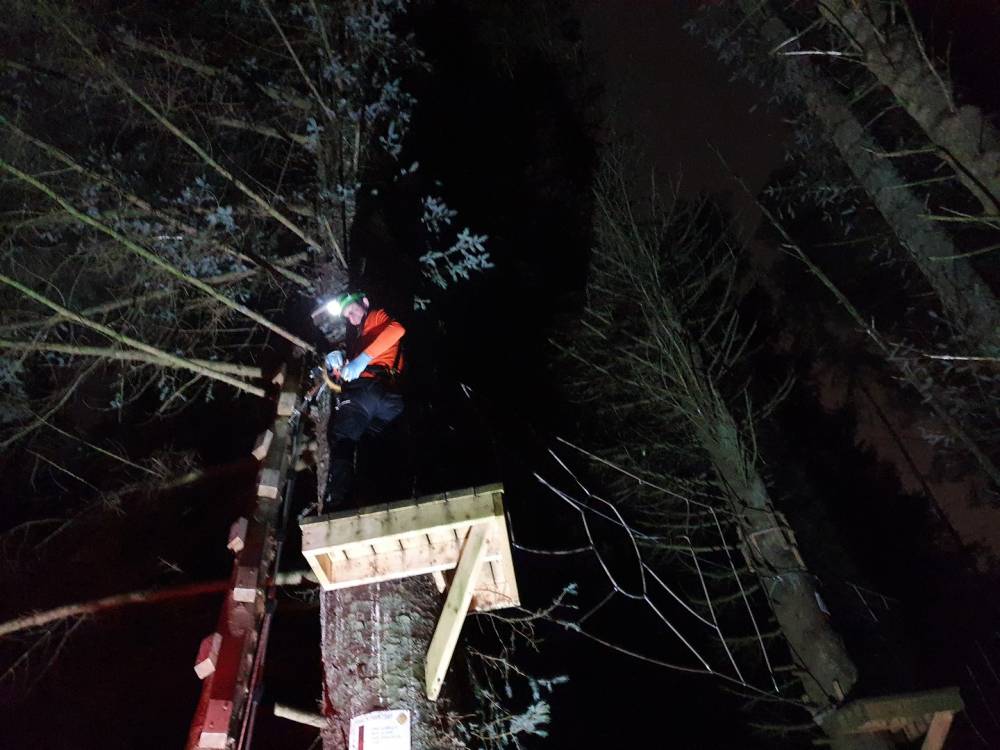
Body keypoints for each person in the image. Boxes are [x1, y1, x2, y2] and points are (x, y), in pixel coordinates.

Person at [322, 291, 405, 512]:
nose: (350, 318)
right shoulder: (360, 341)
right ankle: (372, 501)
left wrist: (361, 361)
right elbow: (344, 374)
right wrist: (335, 365)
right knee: (369, 446)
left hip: (369, 391)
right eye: (347, 316)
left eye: (352, 310)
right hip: (389, 400)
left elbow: (397, 329)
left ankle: (336, 506)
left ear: (365, 302)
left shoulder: (375, 316)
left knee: (342, 438)